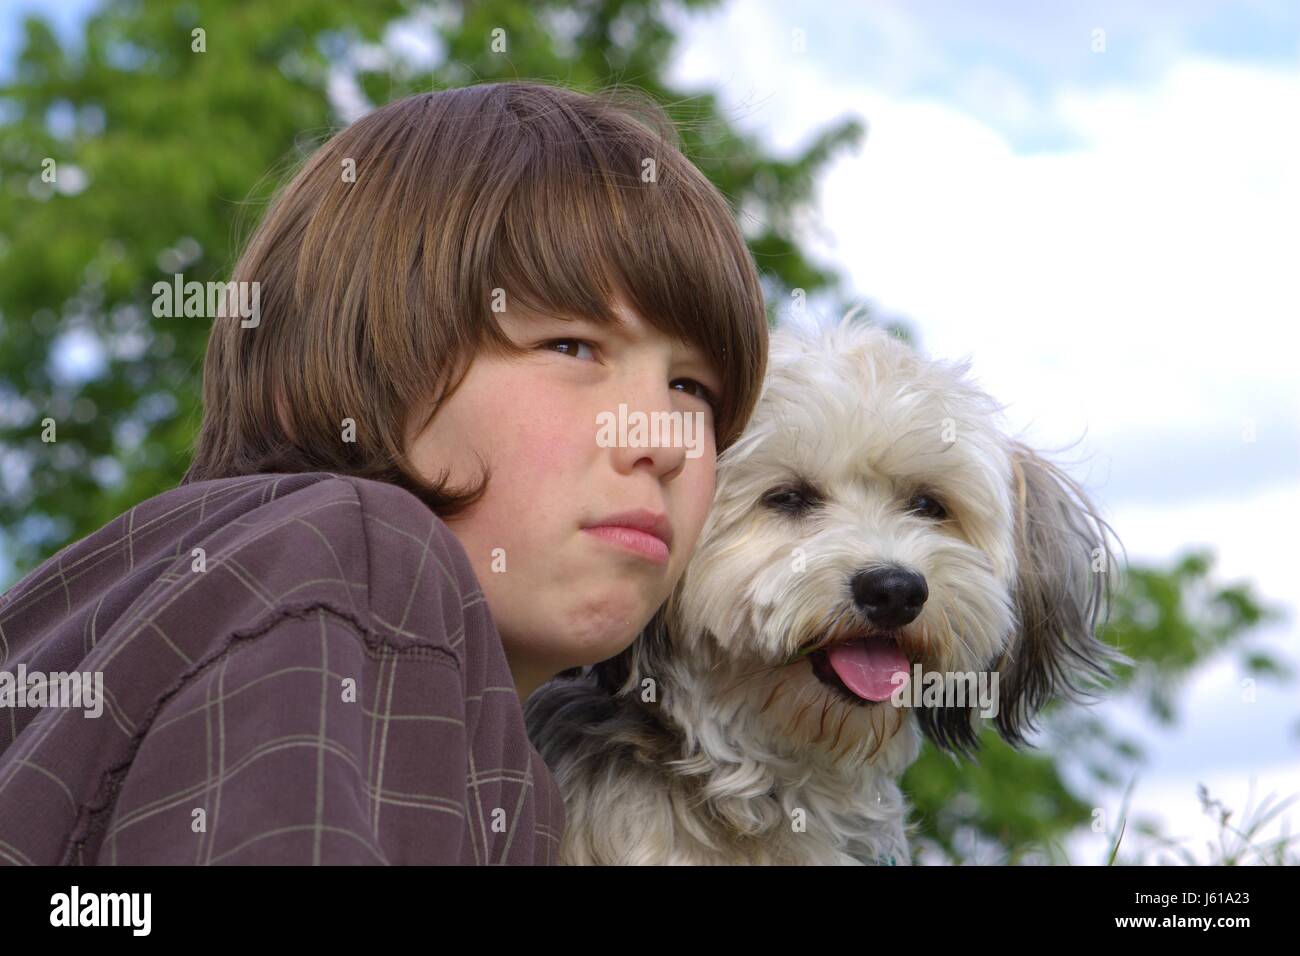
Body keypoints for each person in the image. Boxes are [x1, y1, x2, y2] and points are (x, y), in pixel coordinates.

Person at [0, 81, 768, 864]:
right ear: (350, 362)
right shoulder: (360, 560)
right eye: (570, 346)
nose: (663, 439)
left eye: (693, 389)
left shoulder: (503, 772)